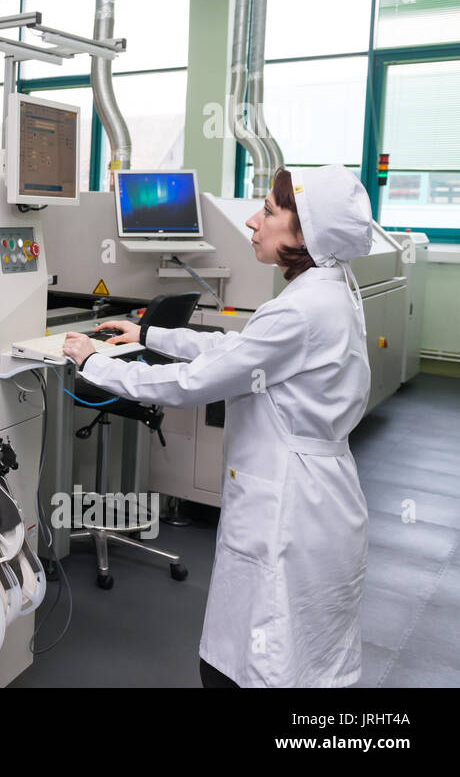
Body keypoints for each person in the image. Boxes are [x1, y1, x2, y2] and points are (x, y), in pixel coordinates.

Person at [60, 165, 375, 688]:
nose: (253, 221)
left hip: (286, 508)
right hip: (318, 497)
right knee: (297, 658)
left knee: (259, 662)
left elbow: (194, 384)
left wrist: (95, 363)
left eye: (270, 212)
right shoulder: (328, 289)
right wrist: (148, 333)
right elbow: (240, 351)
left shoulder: (301, 311)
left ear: (307, 232)